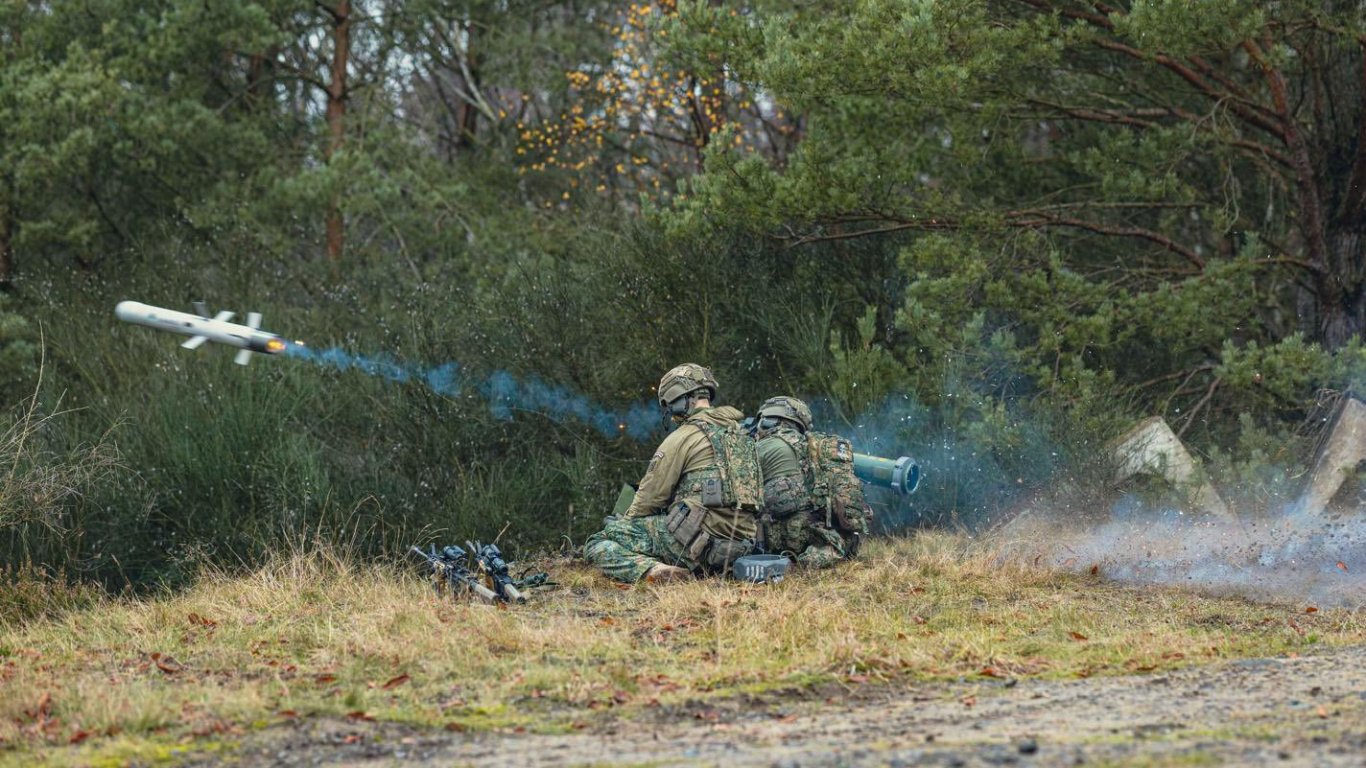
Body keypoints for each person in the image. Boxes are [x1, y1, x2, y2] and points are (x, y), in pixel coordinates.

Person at [583, 364, 763, 583]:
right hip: (741, 548)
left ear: (677, 399)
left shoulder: (683, 437)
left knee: (599, 541)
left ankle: (655, 571)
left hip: (698, 547)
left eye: (669, 406)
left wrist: (623, 525)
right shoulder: (744, 436)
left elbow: (648, 501)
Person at [753, 396, 865, 569]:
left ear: (766, 420)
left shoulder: (761, 447)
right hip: (825, 537)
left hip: (779, 542)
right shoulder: (819, 449)